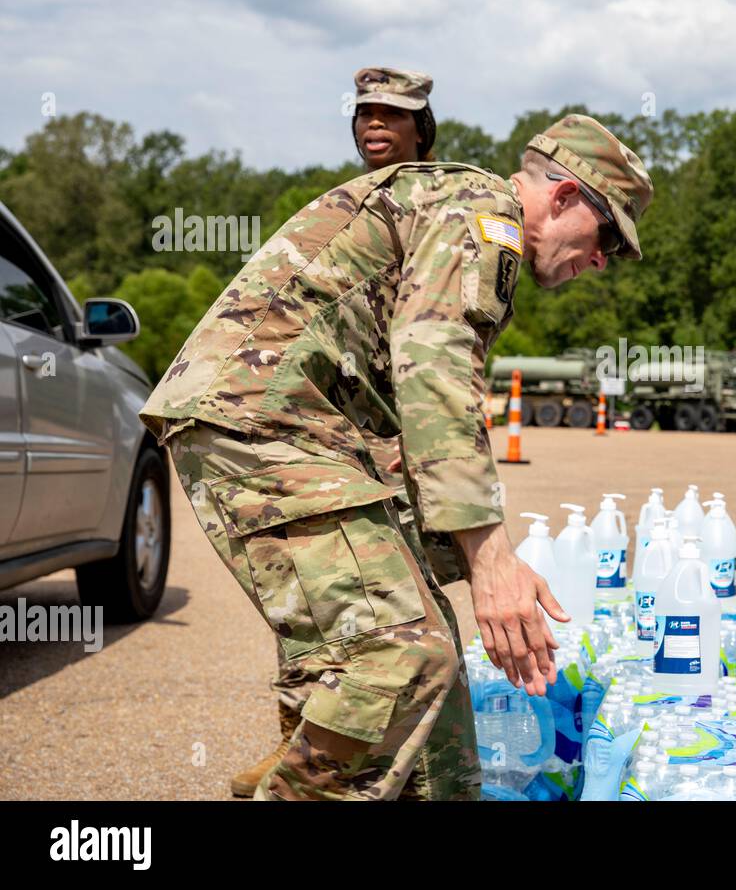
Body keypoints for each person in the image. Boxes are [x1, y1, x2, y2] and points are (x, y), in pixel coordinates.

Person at [141, 114, 653, 799]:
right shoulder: (485, 217)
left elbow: (399, 413)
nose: (601, 260)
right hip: (260, 421)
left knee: (421, 651)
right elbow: (433, 376)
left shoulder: (457, 214)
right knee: (403, 655)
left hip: (299, 428)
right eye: (607, 237)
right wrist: (489, 557)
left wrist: (469, 560)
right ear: (562, 198)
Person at [227, 66, 439, 797]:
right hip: (323, 417)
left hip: (382, 421)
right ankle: (296, 745)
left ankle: (388, 758)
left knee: (395, 614)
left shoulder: (433, 203)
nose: (375, 124)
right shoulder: (347, 203)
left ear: (422, 128)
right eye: (365, 114)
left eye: (393, 114)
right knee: (308, 600)